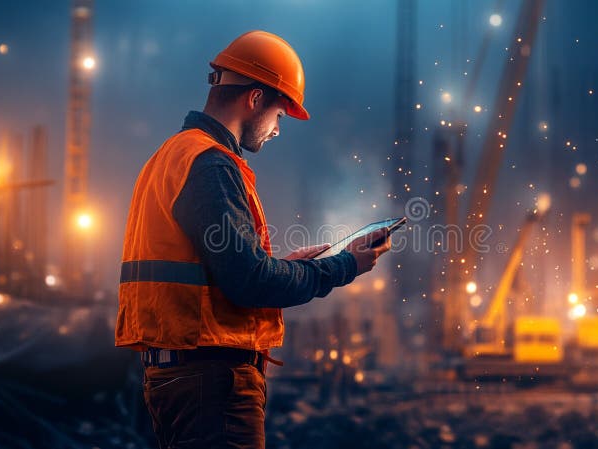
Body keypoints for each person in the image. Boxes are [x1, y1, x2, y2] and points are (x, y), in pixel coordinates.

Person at [115, 30, 392, 448]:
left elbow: (227, 270)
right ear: (255, 99)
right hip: (213, 384)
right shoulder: (211, 166)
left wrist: (293, 266)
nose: (278, 130)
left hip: (184, 378)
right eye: (279, 115)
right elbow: (250, 281)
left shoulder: (172, 155)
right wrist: (344, 265)